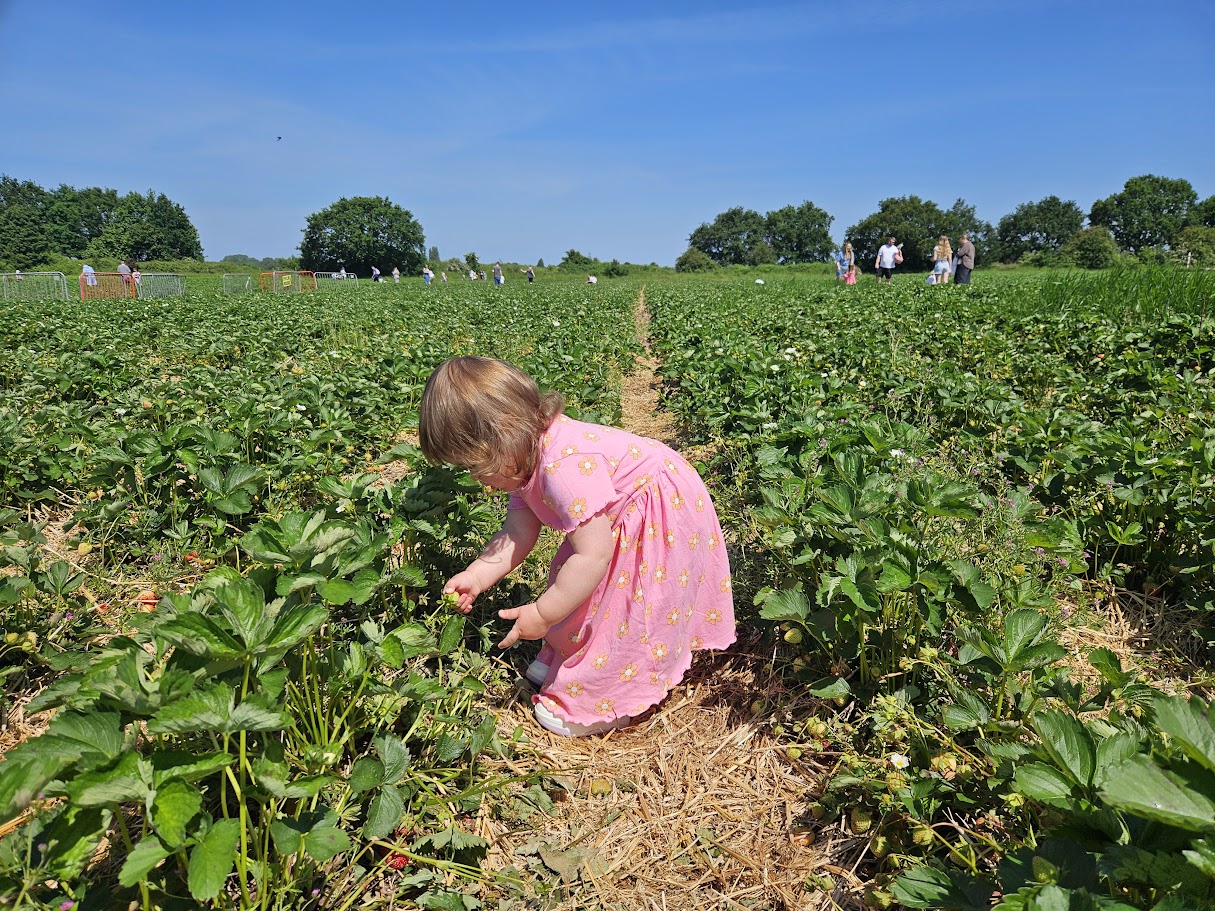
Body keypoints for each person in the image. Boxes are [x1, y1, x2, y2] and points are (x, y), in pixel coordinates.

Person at [419, 357, 736, 737]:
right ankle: (569, 655)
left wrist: (543, 612)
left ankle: (612, 694)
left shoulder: (562, 467)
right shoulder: (523, 457)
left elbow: (594, 555)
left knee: (626, 600)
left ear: (504, 436)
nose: (476, 478)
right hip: (621, 511)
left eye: (476, 465)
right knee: (574, 576)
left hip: (656, 506)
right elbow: (517, 532)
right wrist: (476, 575)